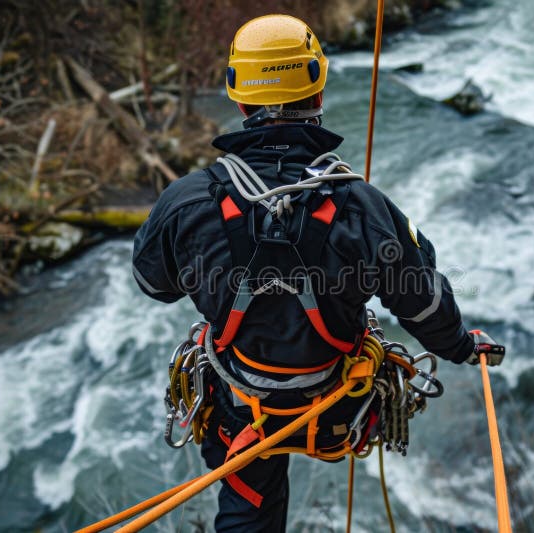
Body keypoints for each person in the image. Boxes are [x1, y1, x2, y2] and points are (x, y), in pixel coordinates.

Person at [132, 14, 505, 533]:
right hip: (335, 405)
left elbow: (155, 284)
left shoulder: (188, 201)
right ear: (319, 91)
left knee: (246, 509)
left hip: (241, 404)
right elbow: (420, 302)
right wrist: (462, 346)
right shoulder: (362, 206)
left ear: (240, 101)